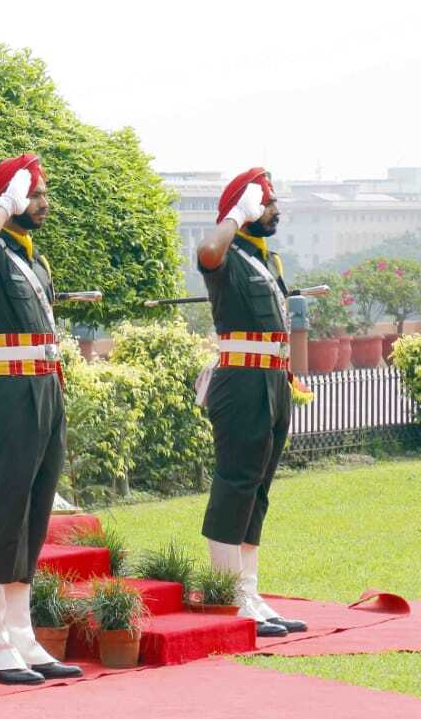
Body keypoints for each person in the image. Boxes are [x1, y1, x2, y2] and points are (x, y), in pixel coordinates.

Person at [0, 154, 82, 685]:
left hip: (43, 388)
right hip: (6, 392)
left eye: (41, 194)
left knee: (32, 517)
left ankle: (22, 636)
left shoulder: (33, 259)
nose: (42, 204)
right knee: (3, 510)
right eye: (33, 195)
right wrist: (5, 203)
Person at [196, 168, 307, 638]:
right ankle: (228, 593)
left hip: (271, 380)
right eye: (265, 202)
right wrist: (237, 212)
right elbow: (206, 253)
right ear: (244, 210)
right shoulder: (227, 255)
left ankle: (250, 590)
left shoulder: (266, 260)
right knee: (235, 482)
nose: (274, 209)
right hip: (241, 381)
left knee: (258, 488)